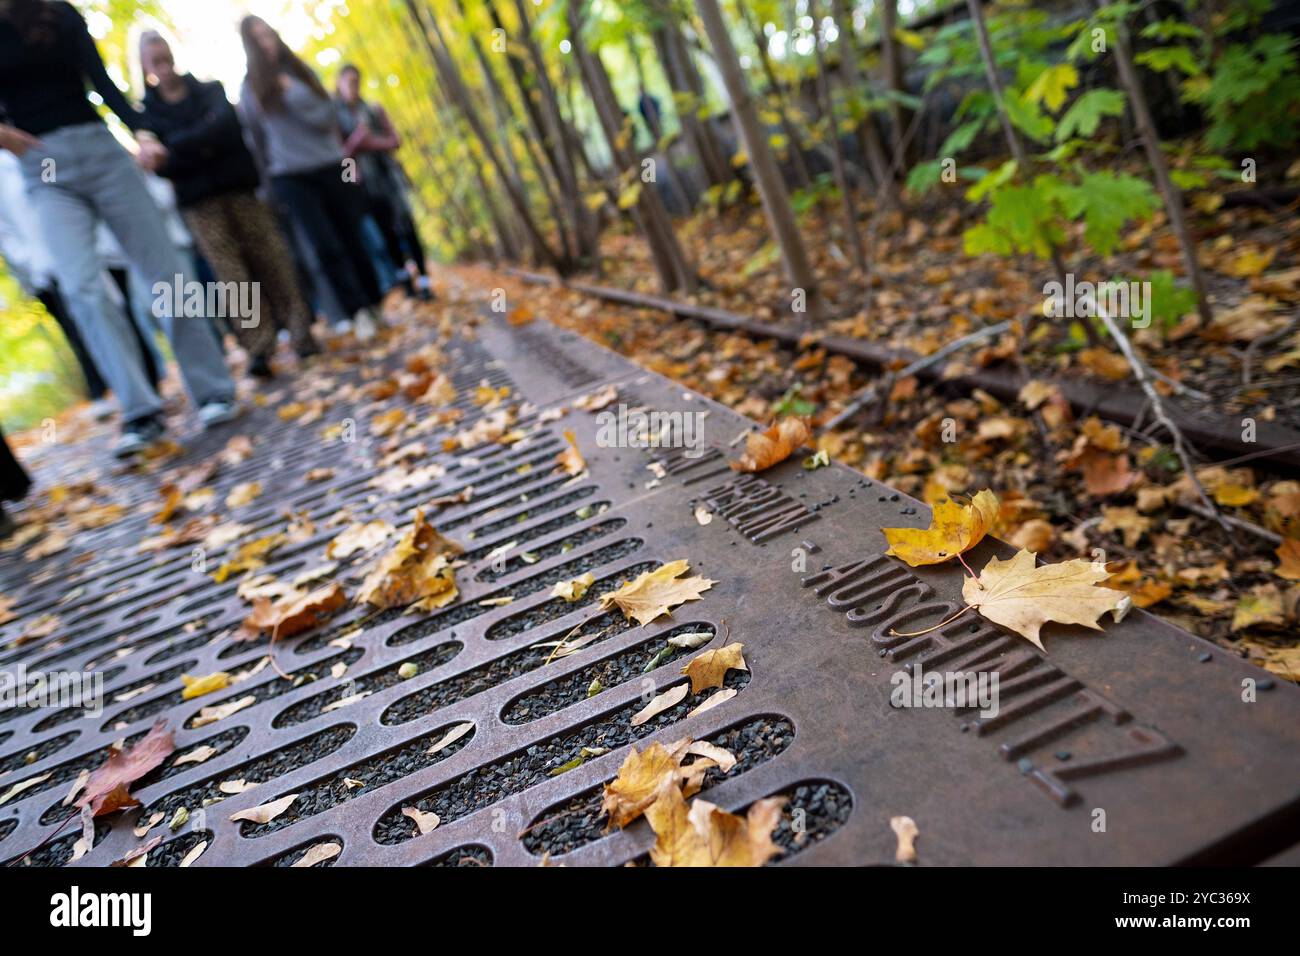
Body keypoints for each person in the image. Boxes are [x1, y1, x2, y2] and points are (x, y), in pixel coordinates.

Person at [0, 0, 239, 458]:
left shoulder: (58, 13)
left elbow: (104, 85)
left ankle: (212, 390)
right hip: (41, 167)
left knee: (164, 270)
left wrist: (144, 132)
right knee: (80, 287)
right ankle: (141, 412)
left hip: (100, 150)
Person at [137, 31, 320, 377]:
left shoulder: (210, 90)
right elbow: (163, 164)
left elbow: (222, 129)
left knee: (271, 256)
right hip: (200, 205)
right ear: (146, 66)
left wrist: (177, 148)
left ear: (173, 55)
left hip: (240, 190)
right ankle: (260, 346)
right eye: (154, 61)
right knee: (232, 275)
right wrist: (196, 146)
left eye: (165, 57)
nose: (163, 66)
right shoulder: (147, 116)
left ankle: (301, 333)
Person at [238, 15, 384, 341]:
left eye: (268, 34)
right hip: (289, 176)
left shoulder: (301, 75)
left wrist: (291, 93)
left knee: (352, 235)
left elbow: (327, 117)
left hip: (331, 166)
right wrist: (267, 188)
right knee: (324, 245)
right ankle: (355, 309)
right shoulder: (249, 91)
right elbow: (257, 142)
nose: (266, 42)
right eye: (257, 39)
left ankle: (374, 302)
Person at [0, 150, 112, 417]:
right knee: (72, 325)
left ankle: (133, 380)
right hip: (38, 268)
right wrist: (29, 260)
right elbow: (6, 230)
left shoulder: (33, 156)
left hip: (71, 249)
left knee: (98, 312)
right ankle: (99, 389)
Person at [334, 64, 432, 302]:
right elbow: (341, 154)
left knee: (408, 230)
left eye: (356, 81)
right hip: (364, 186)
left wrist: (369, 142)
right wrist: (360, 139)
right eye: (347, 82)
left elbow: (395, 140)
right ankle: (406, 285)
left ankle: (425, 283)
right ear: (338, 84)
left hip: (389, 180)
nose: (352, 87)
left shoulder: (374, 109)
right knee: (386, 236)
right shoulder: (336, 119)